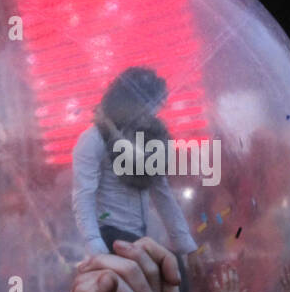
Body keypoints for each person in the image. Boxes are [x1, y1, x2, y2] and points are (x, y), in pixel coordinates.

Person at [71, 66, 199, 259]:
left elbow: (162, 194)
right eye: (145, 104)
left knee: (174, 276)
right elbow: (84, 196)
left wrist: (187, 246)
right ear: (126, 101)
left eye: (153, 105)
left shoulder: (147, 139)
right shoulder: (94, 139)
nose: (150, 112)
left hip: (139, 239)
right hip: (110, 237)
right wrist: (95, 245)